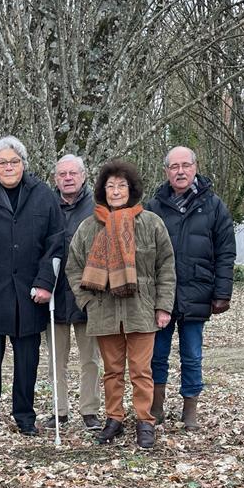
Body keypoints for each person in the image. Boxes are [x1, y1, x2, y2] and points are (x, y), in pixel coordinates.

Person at [0, 135, 65, 436]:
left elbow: (56, 243)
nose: (8, 167)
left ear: (23, 164)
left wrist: (46, 283)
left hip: (30, 295)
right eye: (2, 162)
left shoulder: (42, 195)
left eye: (14, 162)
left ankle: (24, 415)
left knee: (27, 362)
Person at [66, 159, 175, 449]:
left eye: (121, 185)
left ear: (132, 189)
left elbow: (166, 266)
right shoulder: (89, 227)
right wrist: (87, 301)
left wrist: (163, 306)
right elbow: (73, 267)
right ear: (103, 189)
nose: (115, 191)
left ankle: (144, 422)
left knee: (142, 370)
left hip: (142, 310)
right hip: (104, 312)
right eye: (110, 186)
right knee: (112, 371)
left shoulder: (151, 223)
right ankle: (114, 418)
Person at [146, 146, 235, 430]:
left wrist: (223, 293)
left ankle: (190, 410)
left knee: (192, 355)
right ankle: (156, 407)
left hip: (197, 291)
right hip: (161, 295)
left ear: (195, 168)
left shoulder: (214, 205)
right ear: (167, 172)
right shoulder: (154, 206)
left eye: (185, 165)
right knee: (156, 354)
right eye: (174, 166)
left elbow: (225, 252)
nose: (180, 171)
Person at [43, 155, 101, 432]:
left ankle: (90, 409)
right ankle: (59, 410)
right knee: (57, 359)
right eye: (62, 174)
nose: (67, 178)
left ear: (83, 176)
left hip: (89, 295)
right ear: (55, 179)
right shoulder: (45, 206)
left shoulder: (97, 207)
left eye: (72, 173)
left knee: (90, 358)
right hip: (53, 294)